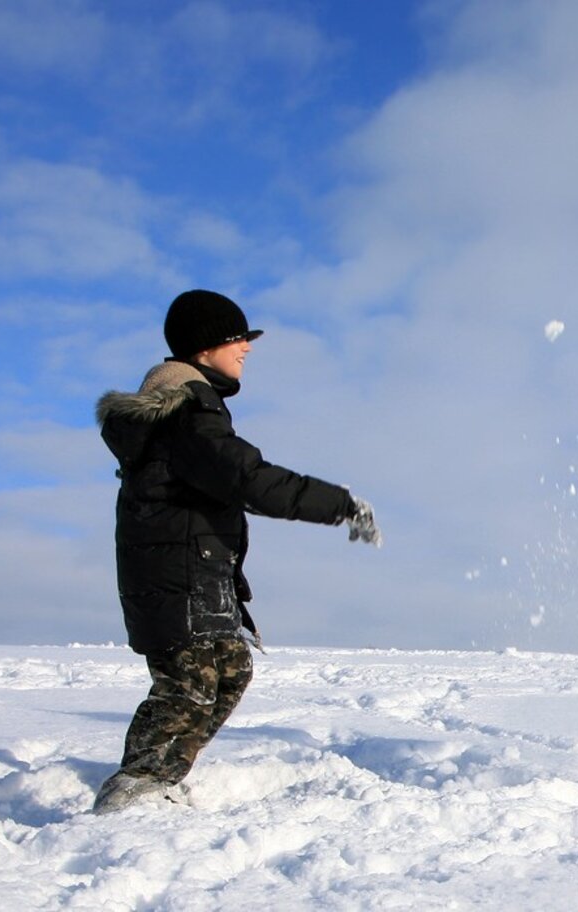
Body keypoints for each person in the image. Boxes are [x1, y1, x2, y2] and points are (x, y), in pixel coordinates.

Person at [91, 289, 380, 813]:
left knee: (228, 668)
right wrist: (339, 503)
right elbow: (248, 478)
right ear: (204, 348)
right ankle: (134, 788)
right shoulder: (188, 416)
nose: (245, 348)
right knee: (191, 681)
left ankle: (158, 776)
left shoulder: (188, 412)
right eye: (236, 339)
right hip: (177, 578)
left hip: (189, 574)